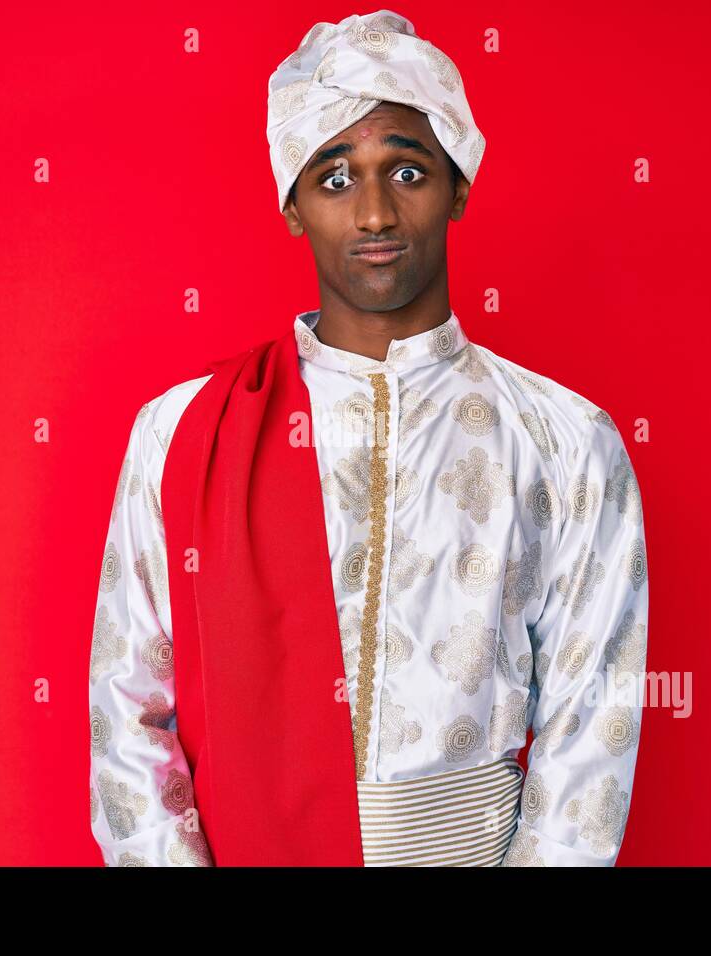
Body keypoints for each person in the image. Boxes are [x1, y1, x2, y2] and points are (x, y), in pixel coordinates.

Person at [88, 9, 648, 867]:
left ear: (459, 185)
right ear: (291, 204)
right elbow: (128, 714)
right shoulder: (181, 433)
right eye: (336, 177)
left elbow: (591, 731)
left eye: (409, 170)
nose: (377, 213)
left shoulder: (566, 442)